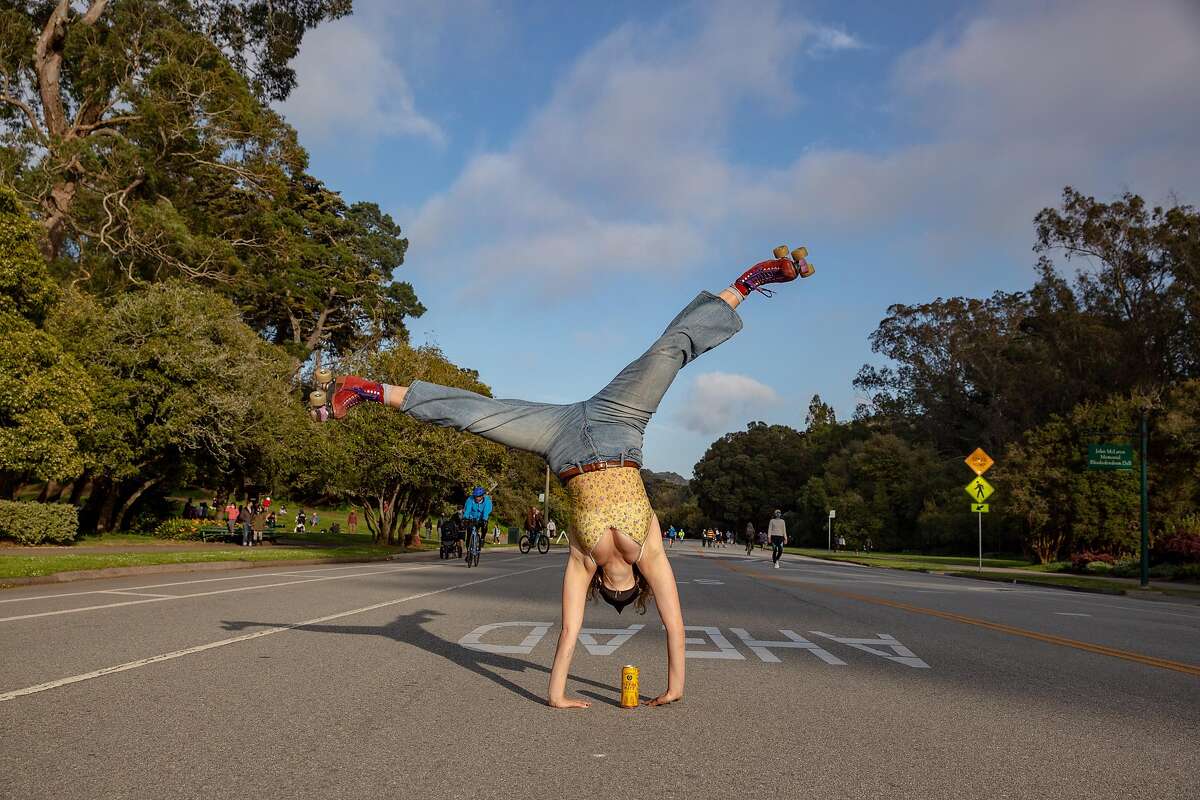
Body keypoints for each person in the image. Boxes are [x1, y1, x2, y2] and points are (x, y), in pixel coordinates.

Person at [310, 248, 812, 707]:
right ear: (635, 585)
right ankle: (756, 279)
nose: (615, 591)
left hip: (560, 443)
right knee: (670, 350)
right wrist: (675, 687)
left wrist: (557, 694)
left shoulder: (582, 559)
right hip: (621, 422)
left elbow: (569, 631)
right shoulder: (651, 550)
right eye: (625, 594)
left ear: (604, 587)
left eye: (610, 595)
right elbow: (674, 623)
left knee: (477, 415)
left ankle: (367, 390)